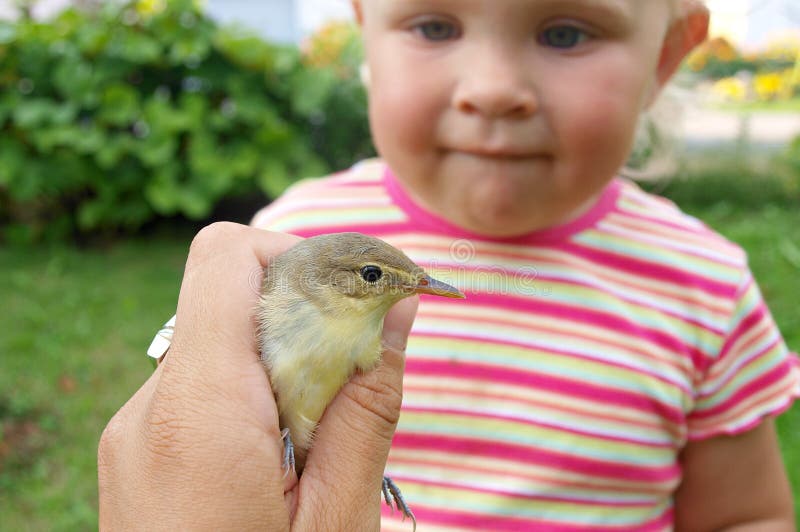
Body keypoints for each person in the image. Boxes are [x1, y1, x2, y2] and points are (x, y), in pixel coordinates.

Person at [100, 0, 799, 529]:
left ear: (668, 56)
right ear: (363, 26)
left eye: (565, 32)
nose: (492, 90)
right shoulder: (282, 238)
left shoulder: (705, 284)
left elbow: (749, 514)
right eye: (435, 26)